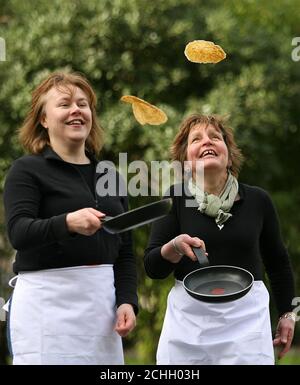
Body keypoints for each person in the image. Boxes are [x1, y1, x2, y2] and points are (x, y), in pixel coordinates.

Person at [3, 72, 138, 365]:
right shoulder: (26, 170)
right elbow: (19, 232)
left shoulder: (110, 175)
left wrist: (127, 300)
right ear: (43, 120)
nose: (76, 110)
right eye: (64, 104)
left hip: (101, 310)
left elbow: (125, 249)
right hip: (47, 309)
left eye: (83, 104)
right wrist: (67, 223)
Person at [144, 114, 296, 365]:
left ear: (228, 153)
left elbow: (278, 264)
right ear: (185, 160)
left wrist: (288, 314)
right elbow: (152, 267)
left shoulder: (258, 200)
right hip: (188, 325)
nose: (207, 142)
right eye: (197, 139)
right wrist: (174, 247)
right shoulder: (175, 198)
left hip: (247, 324)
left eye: (215, 137)